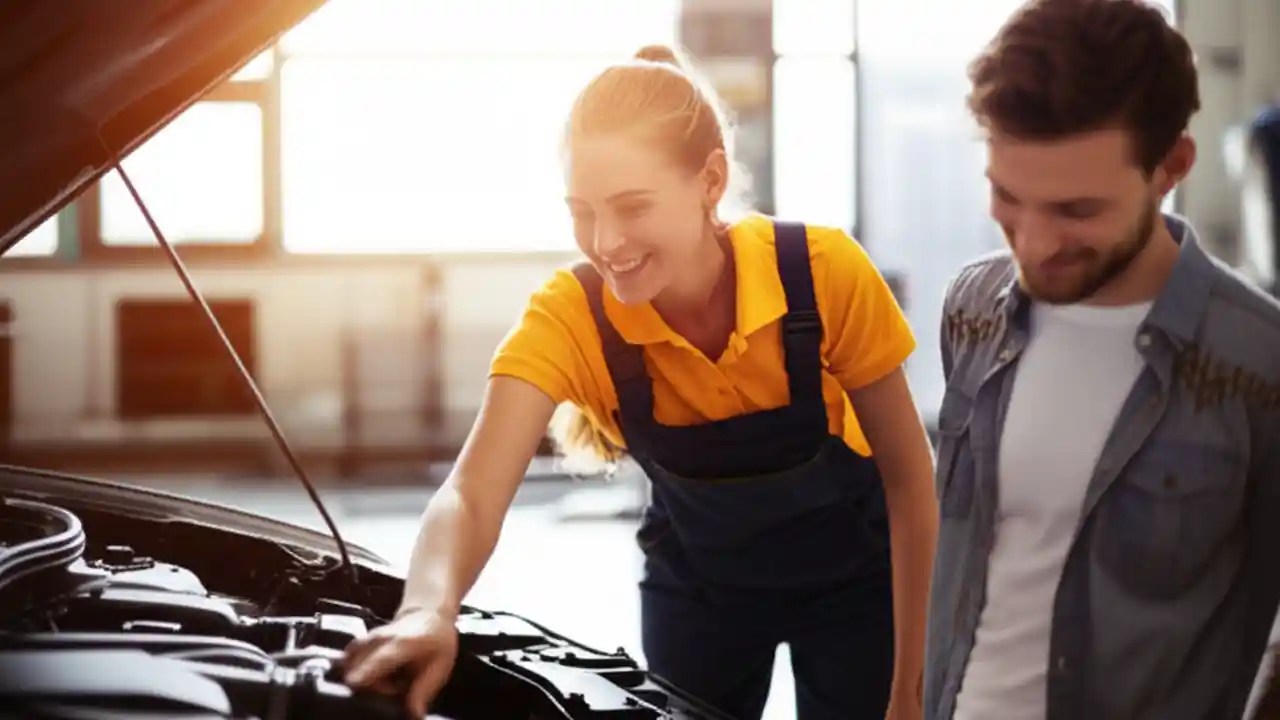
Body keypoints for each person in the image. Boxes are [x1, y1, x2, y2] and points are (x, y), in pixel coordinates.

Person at [341, 44, 940, 720]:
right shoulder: (572, 316)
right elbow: (473, 492)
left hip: (856, 587)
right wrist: (428, 610)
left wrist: (910, 693)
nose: (605, 241)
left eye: (632, 207)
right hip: (701, 594)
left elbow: (911, 478)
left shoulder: (822, 273)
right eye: (583, 210)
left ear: (710, 181)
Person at [923, 1, 1280, 719]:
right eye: (1006, 197)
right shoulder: (972, 307)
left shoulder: (1259, 365)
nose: (1033, 243)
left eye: (1077, 211)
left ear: (1171, 167)